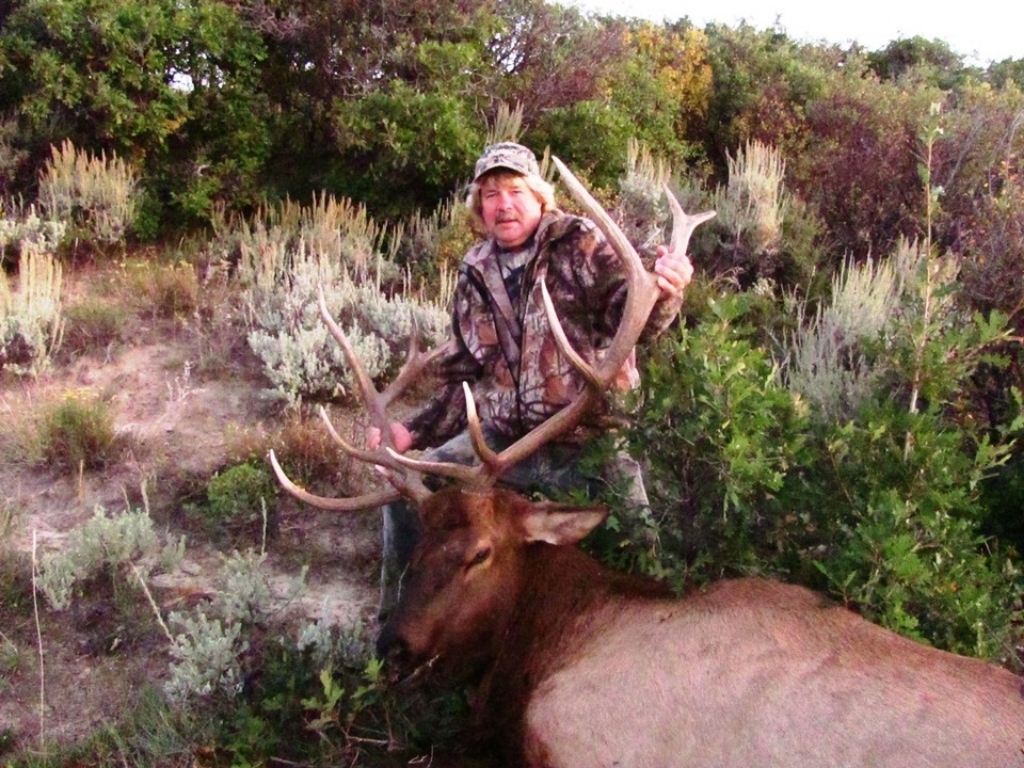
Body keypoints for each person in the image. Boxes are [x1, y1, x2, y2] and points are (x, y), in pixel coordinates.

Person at [370, 142, 694, 618]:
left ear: (540, 197)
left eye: (516, 191)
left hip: (588, 439)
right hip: (502, 449)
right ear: (479, 208)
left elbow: (631, 315)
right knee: (405, 490)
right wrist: (412, 432)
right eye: (491, 194)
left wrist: (666, 290)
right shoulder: (475, 271)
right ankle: (398, 620)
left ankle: (663, 631)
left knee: (643, 539)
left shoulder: (579, 243)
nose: (504, 204)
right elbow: (466, 377)